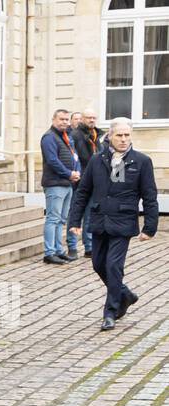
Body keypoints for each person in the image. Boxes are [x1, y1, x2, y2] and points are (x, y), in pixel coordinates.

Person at [68, 118, 158, 331]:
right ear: (110, 136)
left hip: (123, 222)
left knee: (113, 266)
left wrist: (150, 227)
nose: (124, 139)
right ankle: (125, 294)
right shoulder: (97, 160)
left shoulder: (142, 161)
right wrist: (74, 220)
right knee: (98, 264)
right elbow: (83, 192)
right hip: (100, 220)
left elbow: (150, 196)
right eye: (119, 135)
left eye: (127, 135)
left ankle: (111, 311)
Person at [41, 108, 82, 264]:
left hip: (67, 184)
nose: (64, 122)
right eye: (61, 119)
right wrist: (69, 174)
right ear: (53, 120)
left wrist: (77, 171)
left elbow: (75, 158)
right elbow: (52, 161)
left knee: (61, 219)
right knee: (53, 218)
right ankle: (49, 253)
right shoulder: (49, 137)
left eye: (66, 119)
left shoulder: (66, 137)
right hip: (55, 184)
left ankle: (58, 250)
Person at [73, 109, 104, 258]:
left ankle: (89, 246)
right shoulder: (77, 135)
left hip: (95, 179)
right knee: (77, 214)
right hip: (82, 180)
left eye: (94, 117)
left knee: (91, 215)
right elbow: (79, 158)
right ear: (82, 119)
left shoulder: (96, 134)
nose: (92, 120)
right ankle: (75, 247)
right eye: (88, 117)